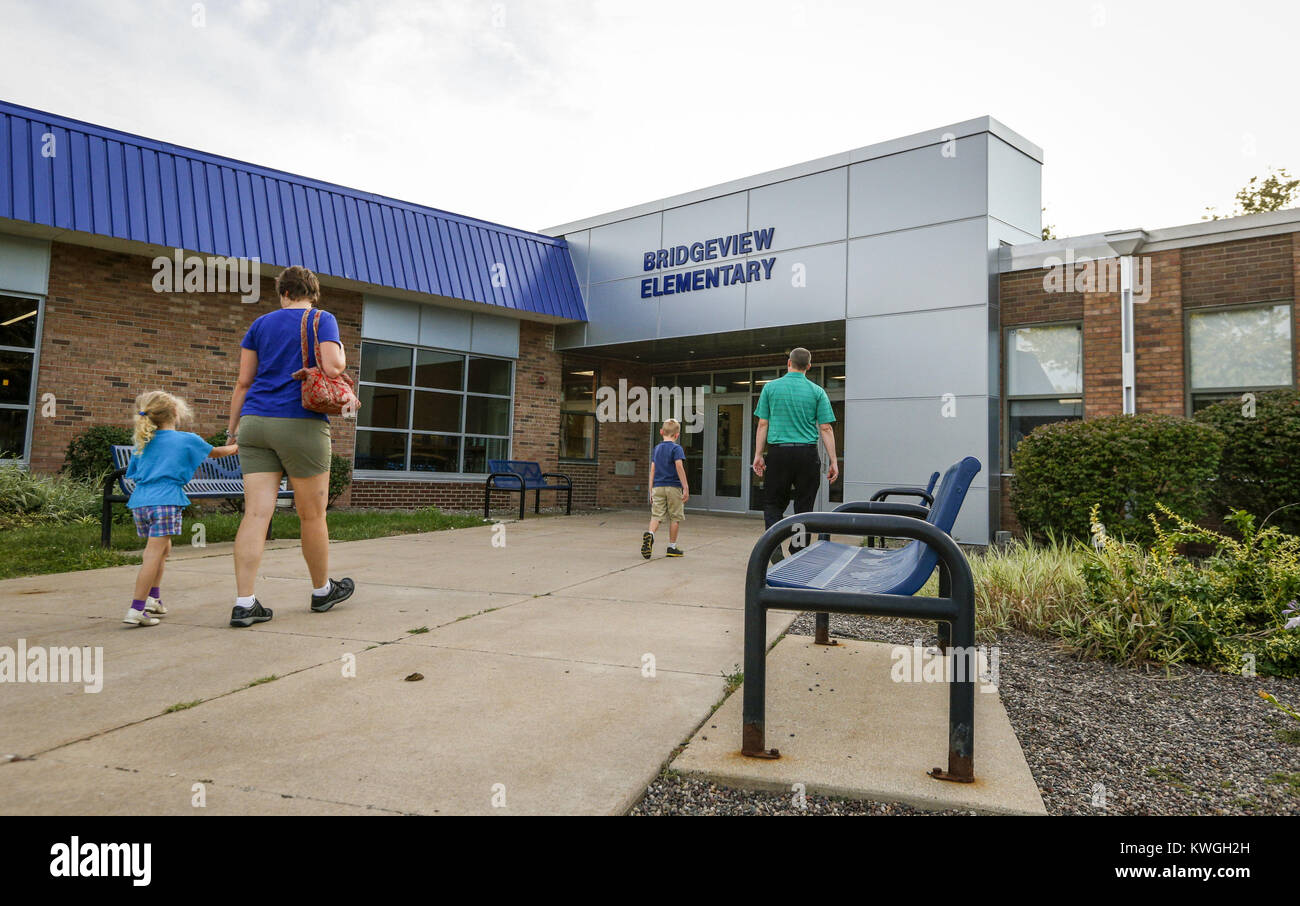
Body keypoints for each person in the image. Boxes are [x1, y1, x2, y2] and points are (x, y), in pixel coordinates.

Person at [226, 265, 355, 628]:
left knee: (255, 515)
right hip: (299, 422)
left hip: (254, 422)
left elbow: (243, 381)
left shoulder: (259, 325)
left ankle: (244, 602)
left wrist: (233, 431)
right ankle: (321, 591)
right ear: (312, 292)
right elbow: (332, 368)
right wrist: (341, 351)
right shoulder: (322, 318)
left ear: (282, 291)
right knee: (311, 515)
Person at [123, 391, 238, 627]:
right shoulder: (187, 439)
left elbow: (134, 473)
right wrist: (238, 446)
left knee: (162, 549)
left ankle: (153, 598)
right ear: (175, 413)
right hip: (165, 501)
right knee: (153, 554)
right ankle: (136, 608)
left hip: (140, 502)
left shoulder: (143, 440)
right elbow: (217, 453)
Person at [751, 347, 838, 562]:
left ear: (788, 363)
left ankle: (773, 548)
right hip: (806, 455)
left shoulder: (770, 388)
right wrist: (833, 461)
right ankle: (798, 552)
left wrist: (758, 454)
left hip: (779, 453)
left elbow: (763, 423)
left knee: (773, 503)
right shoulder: (817, 391)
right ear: (809, 366)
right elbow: (826, 428)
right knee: (803, 506)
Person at [642, 418, 690, 559]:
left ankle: (650, 535)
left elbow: (652, 470)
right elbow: (679, 466)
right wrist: (685, 486)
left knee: (656, 515)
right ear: (677, 435)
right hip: (673, 487)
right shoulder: (677, 448)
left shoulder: (656, 449)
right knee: (675, 517)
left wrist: (650, 490)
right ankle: (672, 547)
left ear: (661, 432)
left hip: (658, 486)